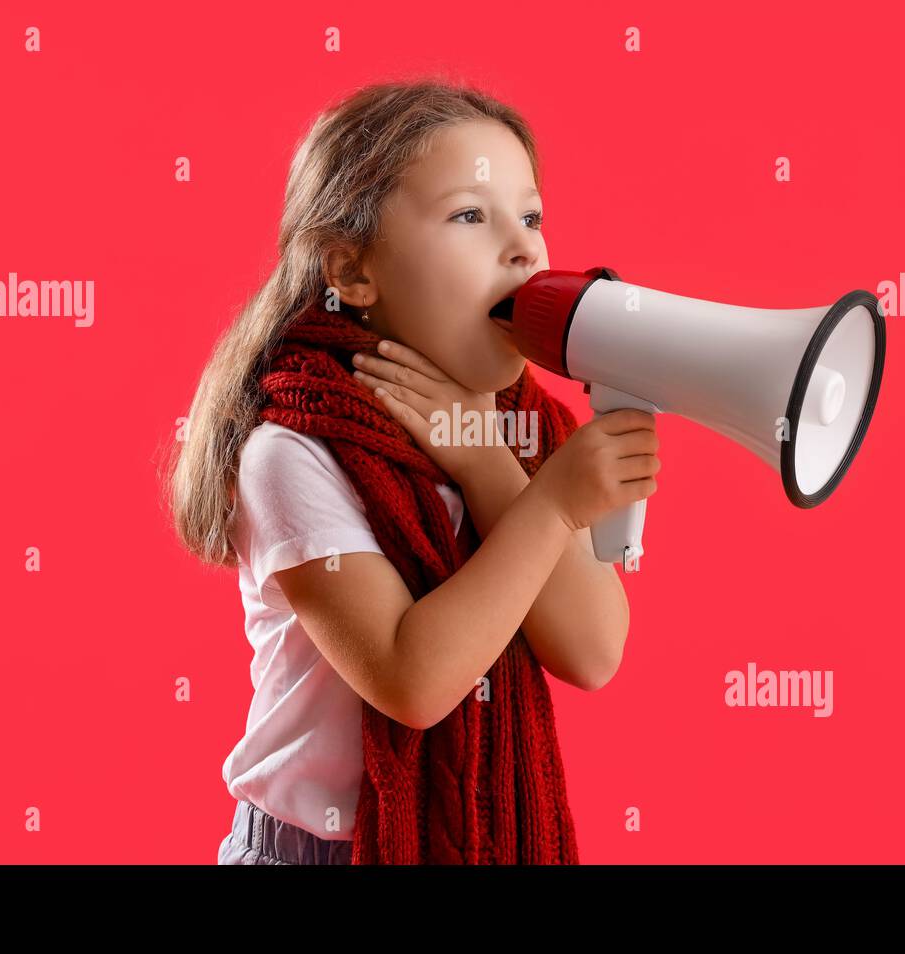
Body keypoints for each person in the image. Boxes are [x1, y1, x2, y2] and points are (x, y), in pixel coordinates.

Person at [164, 78, 660, 864]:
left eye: (531, 218)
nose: (524, 247)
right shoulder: (292, 451)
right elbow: (412, 680)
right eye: (471, 215)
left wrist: (486, 462)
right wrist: (553, 507)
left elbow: (593, 651)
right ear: (353, 272)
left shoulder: (526, 434)